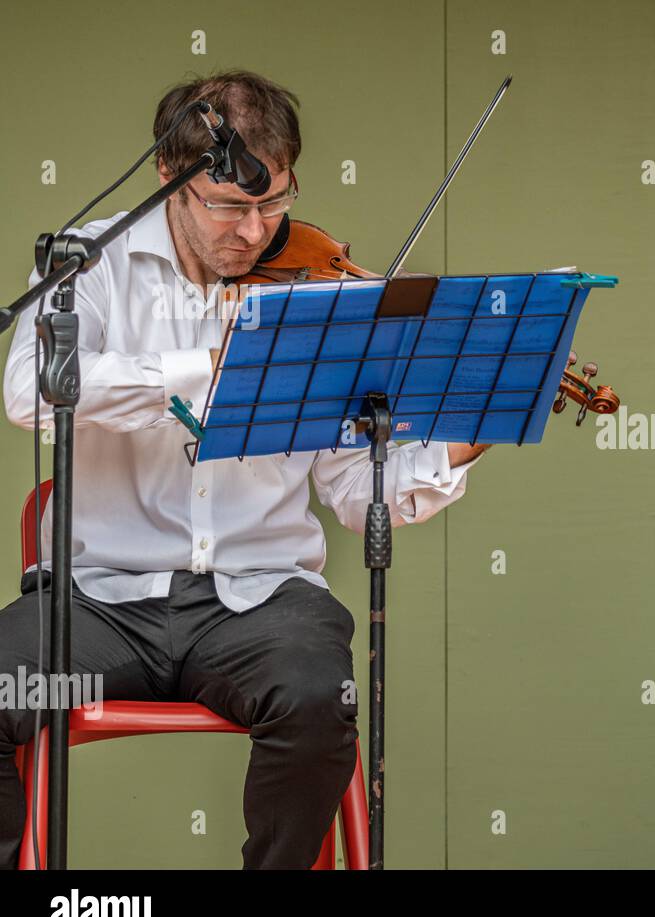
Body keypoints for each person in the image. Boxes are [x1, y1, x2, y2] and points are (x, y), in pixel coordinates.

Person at [0, 70, 490, 868]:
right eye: (230, 205)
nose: (257, 231)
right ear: (170, 177)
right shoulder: (91, 262)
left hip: (261, 600)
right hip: (102, 601)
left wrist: (475, 426)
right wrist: (201, 365)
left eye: (276, 202)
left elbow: (363, 490)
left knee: (316, 701)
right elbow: (29, 390)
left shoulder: (313, 293)